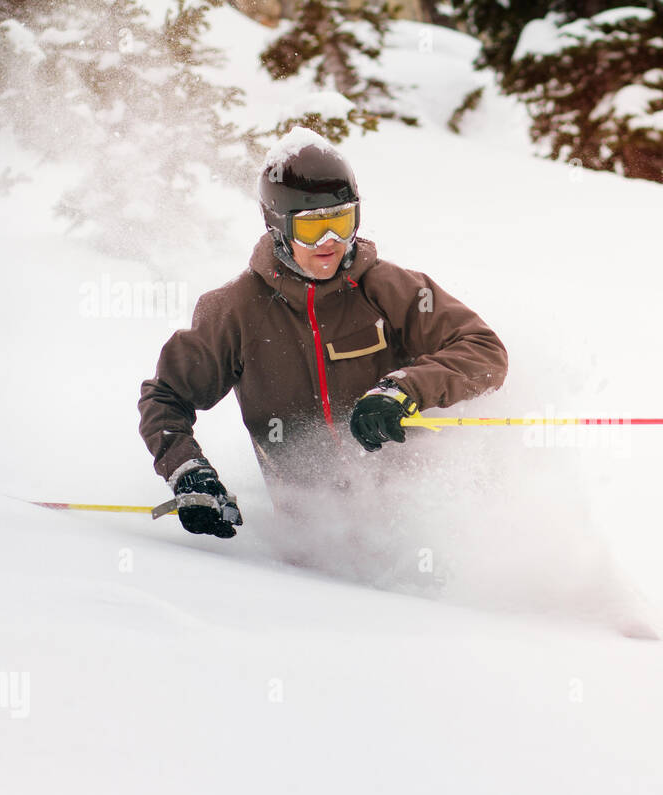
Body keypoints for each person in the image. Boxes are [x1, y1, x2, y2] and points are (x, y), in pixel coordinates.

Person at [138, 128, 509, 537]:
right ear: (278, 226)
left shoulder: (389, 289)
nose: (331, 241)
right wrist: (189, 473)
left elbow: (483, 351)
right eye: (313, 228)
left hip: (422, 525)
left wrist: (404, 390)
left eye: (342, 220)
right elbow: (165, 397)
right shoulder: (235, 310)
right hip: (315, 543)